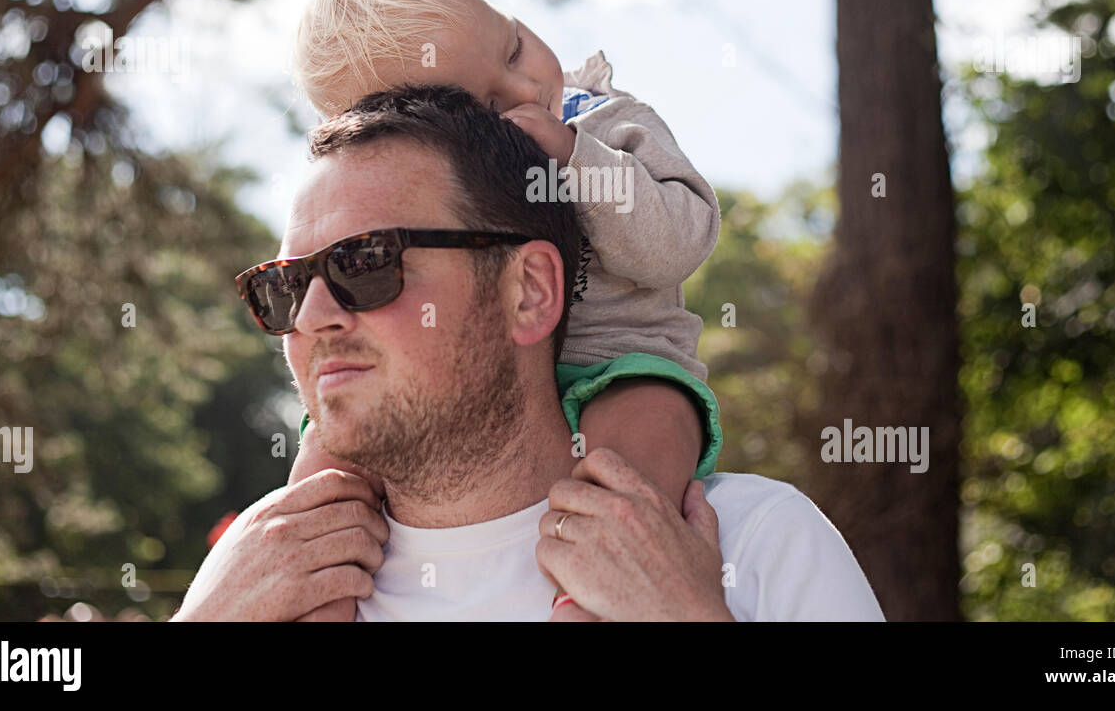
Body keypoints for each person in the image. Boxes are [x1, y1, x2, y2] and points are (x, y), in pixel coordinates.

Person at [174, 85, 884, 621]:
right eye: (285, 286)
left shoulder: (755, 548)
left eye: (365, 261)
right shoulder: (252, 591)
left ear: (530, 291)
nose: (314, 316)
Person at [287, 0, 725, 619]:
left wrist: (577, 160)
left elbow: (682, 239)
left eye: (515, 47)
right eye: (487, 106)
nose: (525, 89)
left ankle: (594, 596)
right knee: (324, 454)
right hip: (485, 376)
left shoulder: (606, 121)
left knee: (636, 461)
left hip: (626, 362)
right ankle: (312, 594)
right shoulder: (438, 185)